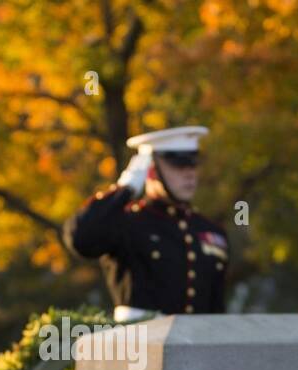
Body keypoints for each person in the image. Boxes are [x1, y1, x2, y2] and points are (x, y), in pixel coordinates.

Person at [63, 126, 229, 321]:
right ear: (151, 170)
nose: (189, 173)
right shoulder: (128, 222)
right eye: (178, 165)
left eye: (193, 164)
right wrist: (126, 188)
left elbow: (216, 309)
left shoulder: (209, 231)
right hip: (138, 345)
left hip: (196, 346)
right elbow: (81, 238)